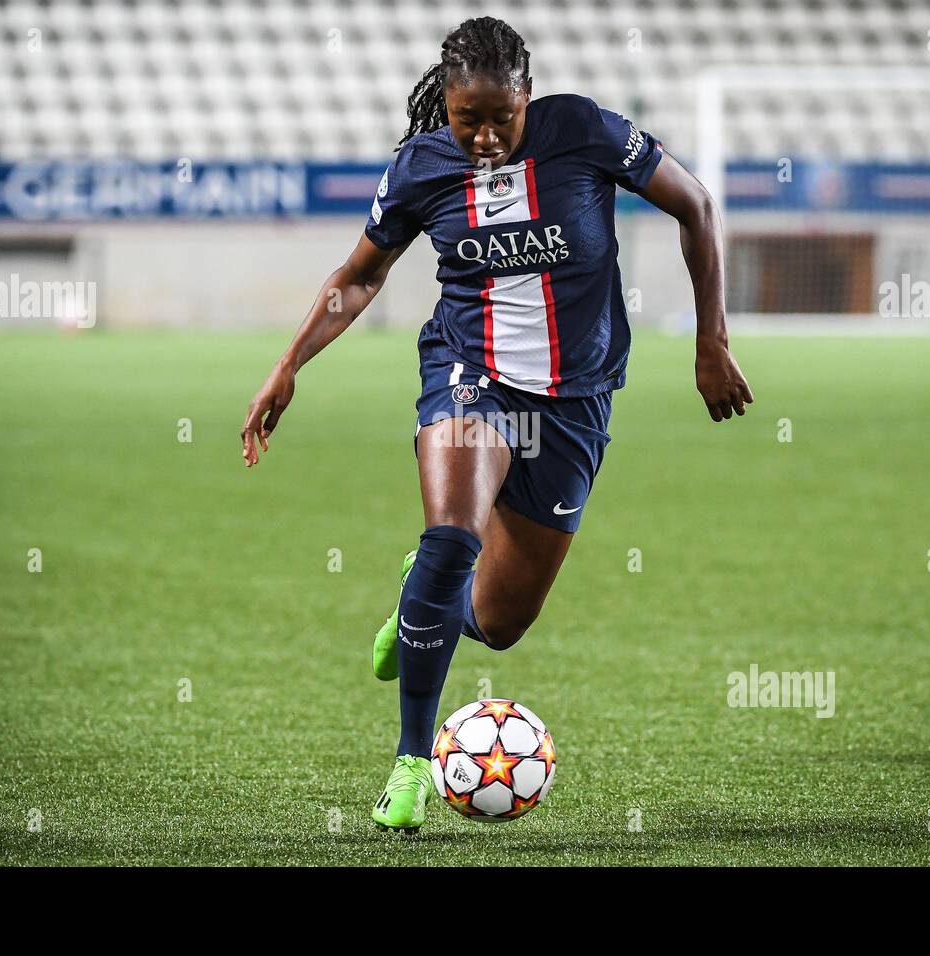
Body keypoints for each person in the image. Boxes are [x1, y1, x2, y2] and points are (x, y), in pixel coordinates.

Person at [241, 16, 753, 832]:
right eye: (464, 118)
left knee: (505, 623)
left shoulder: (582, 132)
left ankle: (422, 597)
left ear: (527, 97)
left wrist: (711, 343)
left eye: (499, 118)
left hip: (574, 399)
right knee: (452, 540)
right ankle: (410, 764)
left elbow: (696, 207)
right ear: (443, 104)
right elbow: (360, 276)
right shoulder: (421, 169)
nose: (482, 136)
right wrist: (288, 364)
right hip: (467, 374)